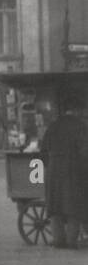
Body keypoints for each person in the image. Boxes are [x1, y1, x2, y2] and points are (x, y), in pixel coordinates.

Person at [42, 90, 88, 249]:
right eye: (82, 110)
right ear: (76, 110)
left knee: (55, 207)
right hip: (72, 171)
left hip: (53, 171)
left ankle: (58, 240)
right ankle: (71, 242)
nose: (83, 113)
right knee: (74, 207)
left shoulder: (53, 126)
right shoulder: (81, 127)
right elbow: (84, 152)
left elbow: (43, 150)